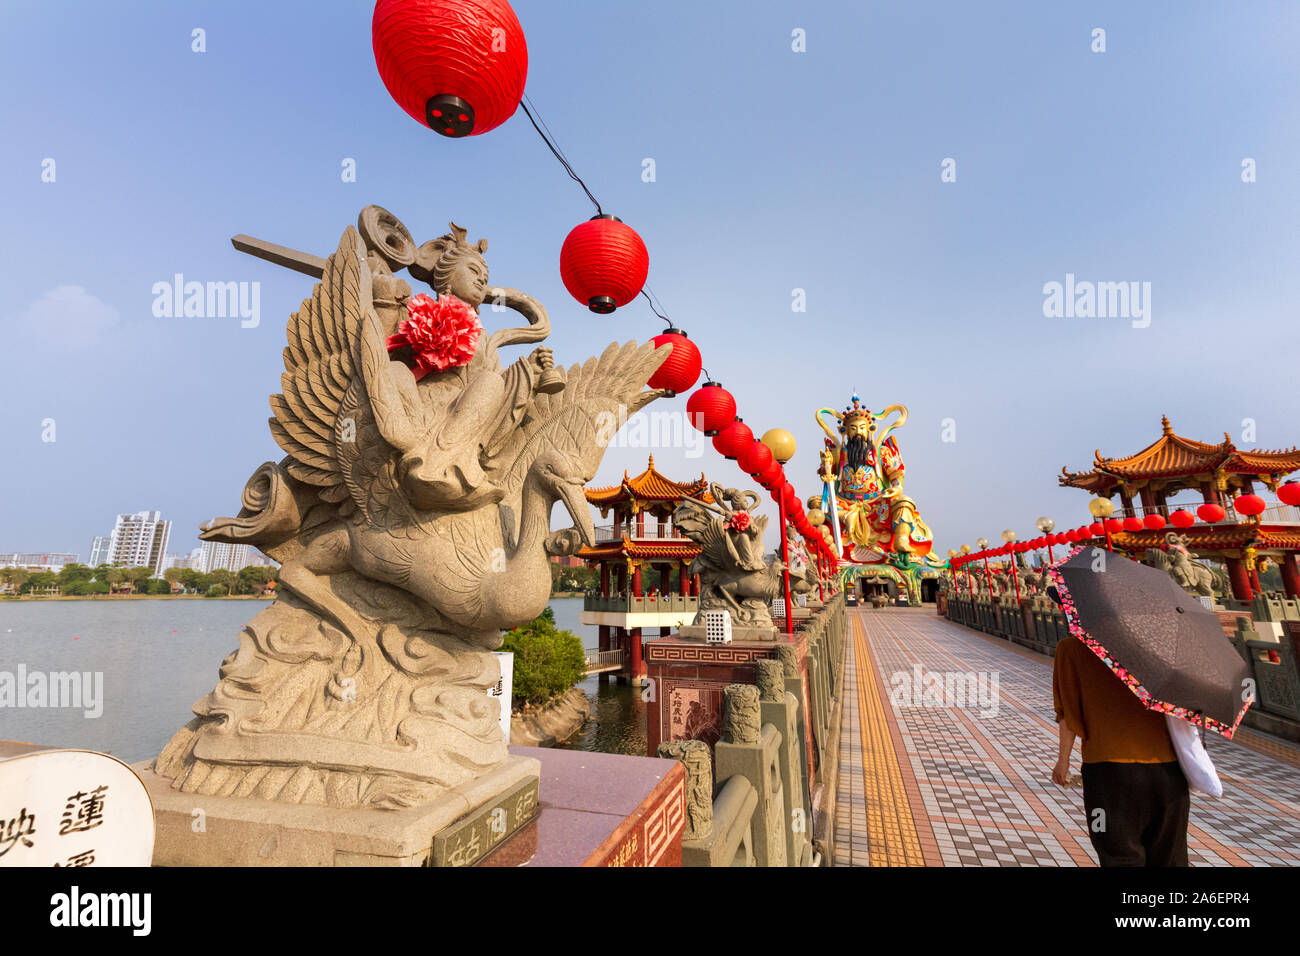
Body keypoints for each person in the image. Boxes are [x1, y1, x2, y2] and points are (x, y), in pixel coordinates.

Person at [1051, 633, 1190, 867]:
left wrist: (1062, 760)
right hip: (1169, 773)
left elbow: (1068, 712)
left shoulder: (1071, 648)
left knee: (1117, 854)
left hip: (1109, 774)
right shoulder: (1160, 647)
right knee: (1170, 859)